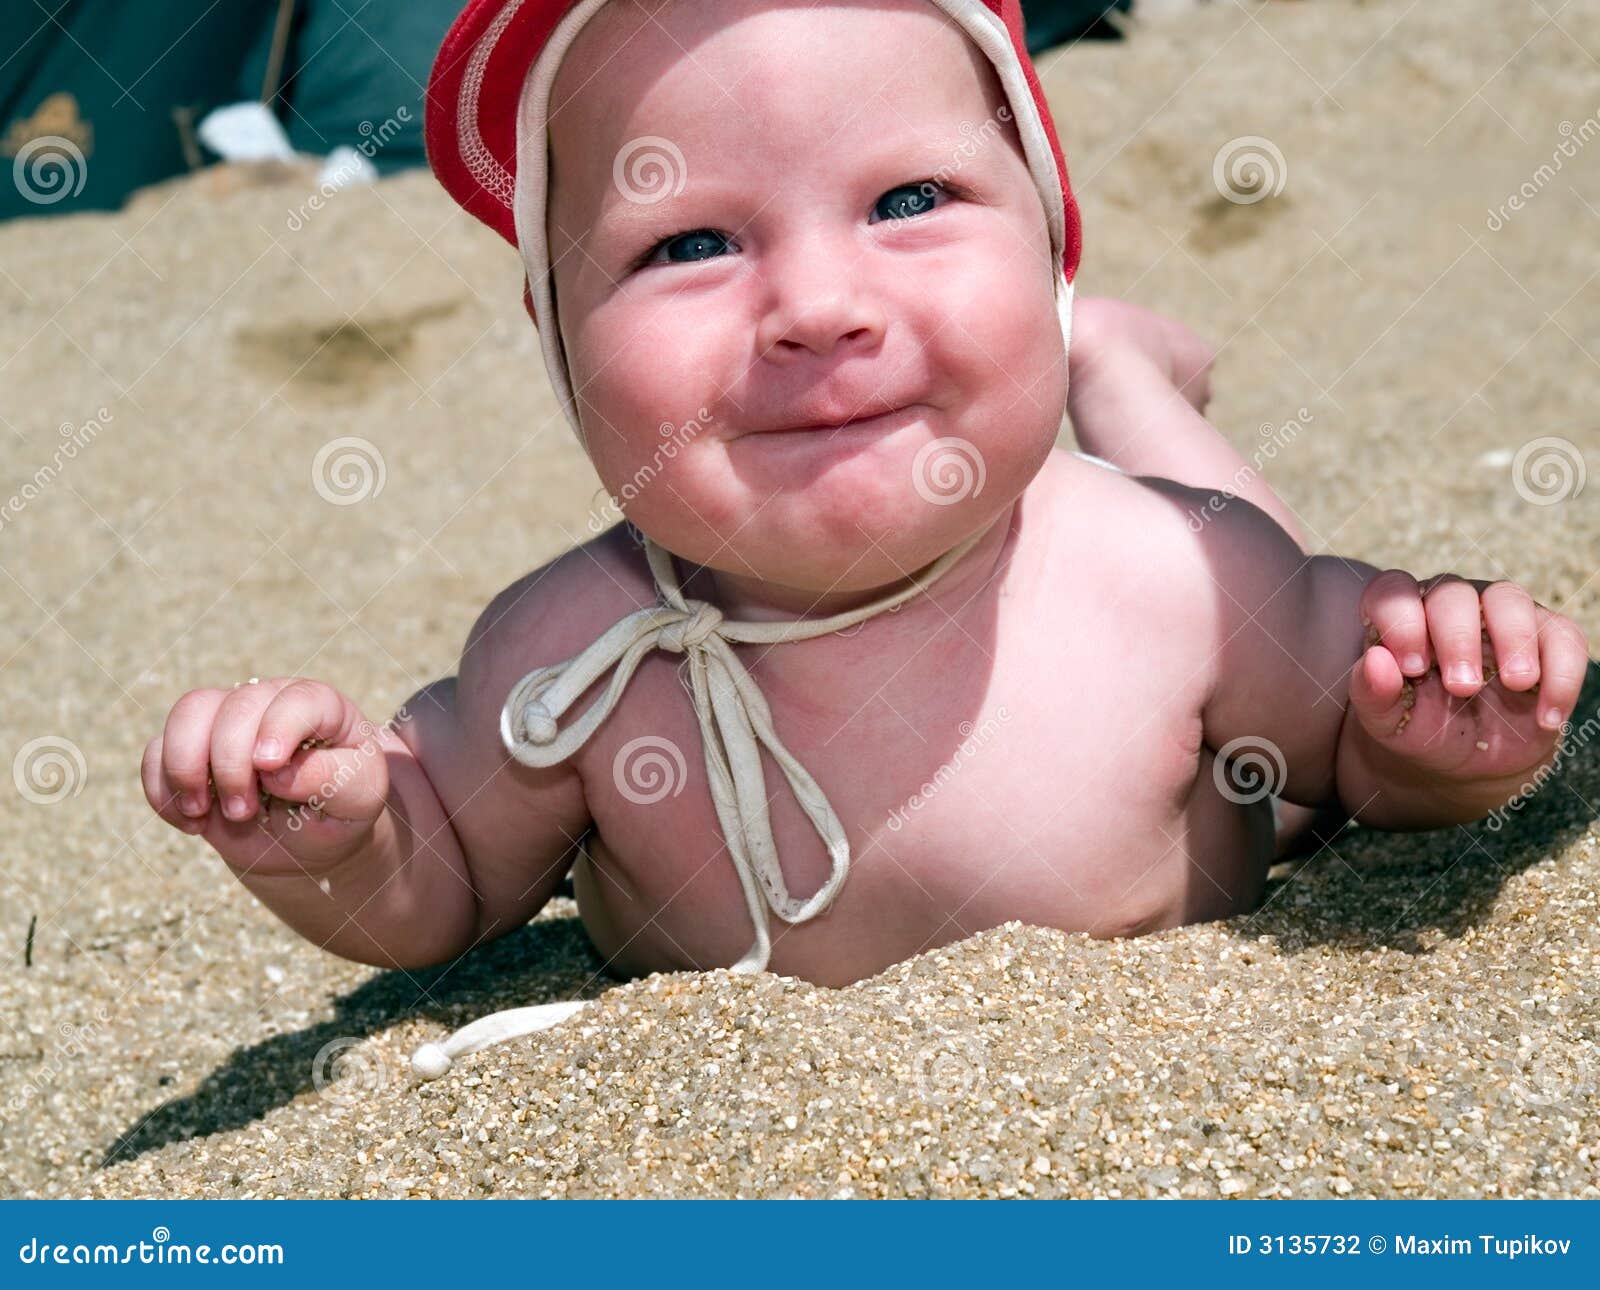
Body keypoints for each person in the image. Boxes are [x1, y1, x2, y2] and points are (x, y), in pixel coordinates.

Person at [142, 0, 1588, 1077]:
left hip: (1214, 671)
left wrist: (1431, 740)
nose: (818, 302)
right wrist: (333, 831)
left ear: (1045, 241)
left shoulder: (1182, 587)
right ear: (563, 347)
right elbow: (442, 878)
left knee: (1230, 514)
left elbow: (1353, 752)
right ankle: (1110, 364)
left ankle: (1121, 375)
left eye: (910, 201)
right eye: (690, 243)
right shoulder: (569, 657)